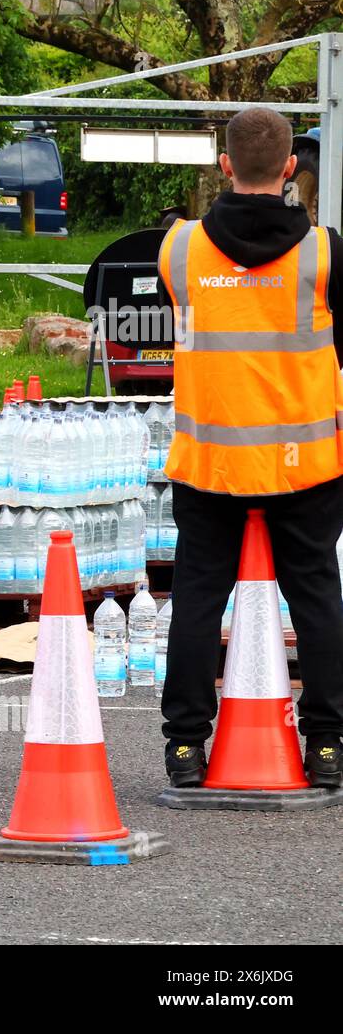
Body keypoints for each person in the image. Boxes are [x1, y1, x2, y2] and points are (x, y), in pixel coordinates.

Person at [158, 106, 343, 788]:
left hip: (211, 462)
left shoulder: (177, 250)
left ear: (225, 164)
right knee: (318, 597)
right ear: (292, 168)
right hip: (306, 463)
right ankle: (326, 744)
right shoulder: (326, 251)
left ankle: (184, 746)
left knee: (199, 599)